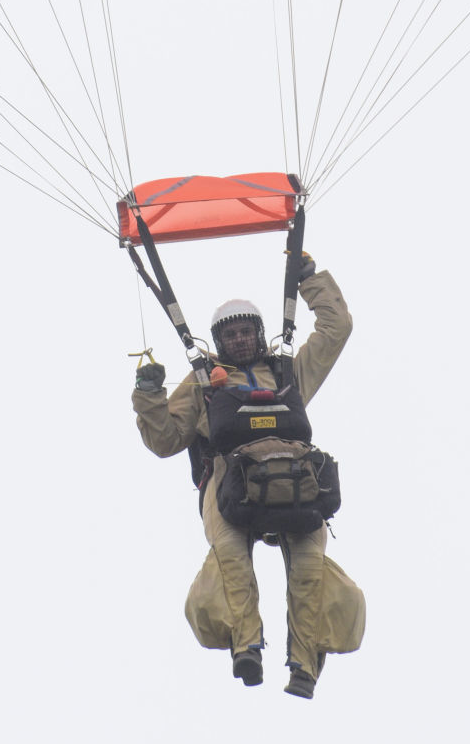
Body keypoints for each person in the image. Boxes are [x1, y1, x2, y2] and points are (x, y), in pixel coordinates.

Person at [132, 253, 365, 698]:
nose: (239, 340)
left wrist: (309, 280)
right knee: (232, 562)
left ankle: (305, 664)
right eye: (230, 334)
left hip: (296, 480)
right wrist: (149, 395)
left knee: (309, 569)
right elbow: (166, 440)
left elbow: (337, 330)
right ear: (218, 341)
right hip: (229, 485)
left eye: (245, 331)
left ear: (258, 334)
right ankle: (247, 647)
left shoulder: (288, 372)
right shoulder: (202, 383)